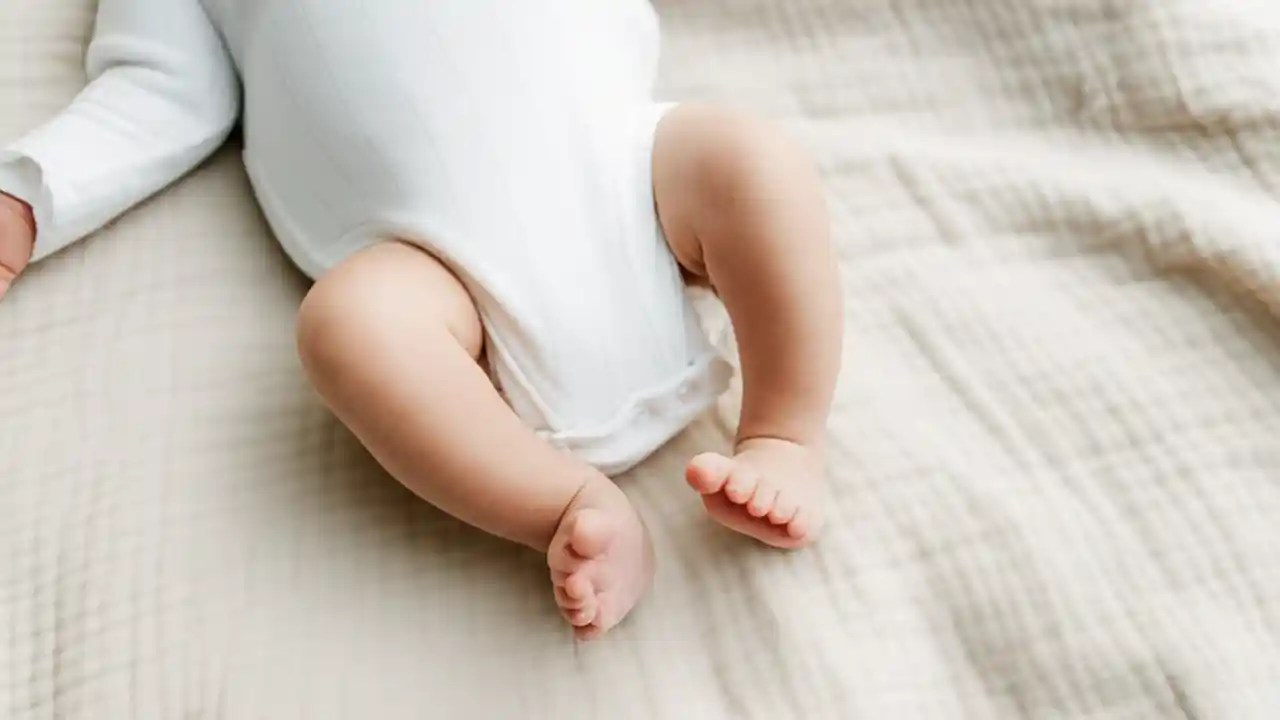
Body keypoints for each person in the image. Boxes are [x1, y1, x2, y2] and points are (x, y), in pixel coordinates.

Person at [0, 0, 842, 640]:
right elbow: (155, 94)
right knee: (348, 327)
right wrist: (31, 196)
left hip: (633, 180)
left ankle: (783, 434)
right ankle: (564, 507)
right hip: (439, 270)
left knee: (750, 158)